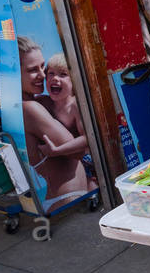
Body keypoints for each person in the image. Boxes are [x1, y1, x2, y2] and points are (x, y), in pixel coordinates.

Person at [18, 36, 87, 209]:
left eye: (43, 67)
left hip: (62, 196)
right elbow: (78, 152)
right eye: (32, 70)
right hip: (67, 197)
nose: (42, 75)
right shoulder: (30, 108)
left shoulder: (36, 103)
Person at [41, 53, 97, 193]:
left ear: (74, 82)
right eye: (51, 73)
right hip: (64, 160)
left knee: (91, 189)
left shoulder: (74, 105)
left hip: (85, 160)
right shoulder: (45, 102)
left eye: (63, 74)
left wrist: (57, 151)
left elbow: (87, 138)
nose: (55, 78)